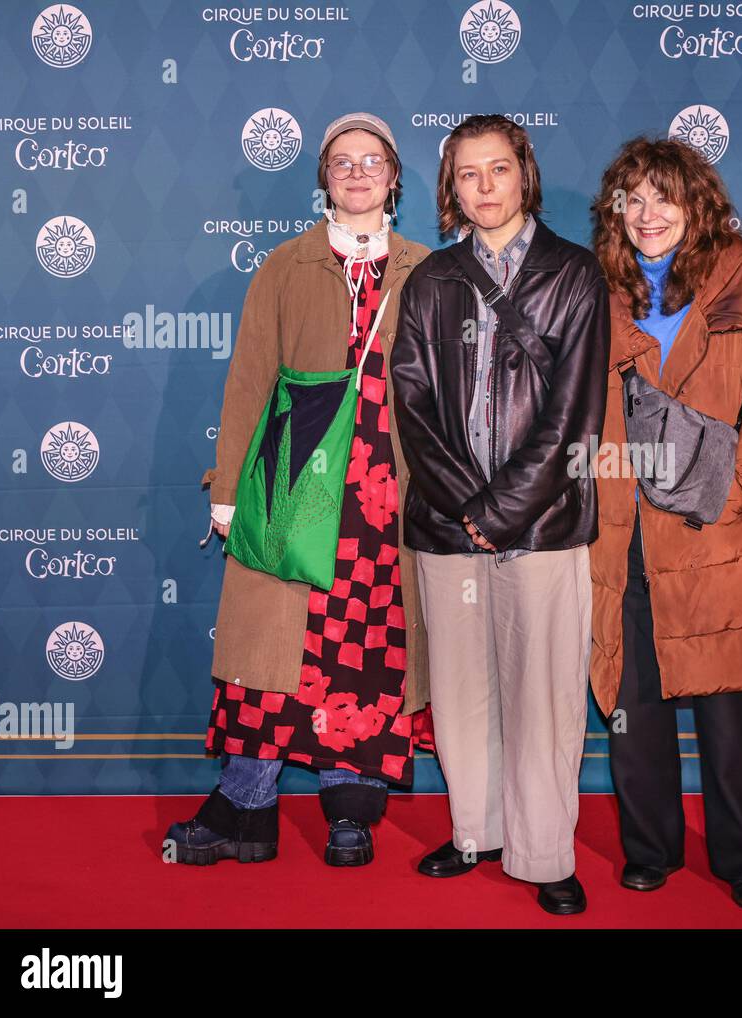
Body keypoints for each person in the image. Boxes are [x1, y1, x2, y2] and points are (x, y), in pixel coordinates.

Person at [166, 112, 434, 867]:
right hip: (291, 494)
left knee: (367, 651)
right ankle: (246, 809)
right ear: (323, 177)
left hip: (387, 500)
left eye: (370, 160)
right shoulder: (283, 267)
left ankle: (351, 813)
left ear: (394, 177)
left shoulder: (428, 271)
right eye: (341, 161)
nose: (356, 172)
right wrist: (226, 492)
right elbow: (250, 377)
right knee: (274, 656)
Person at [389, 114, 608, 915]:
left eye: (498, 170)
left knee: (545, 692)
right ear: (450, 188)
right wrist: (466, 509)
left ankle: (546, 850)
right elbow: (410, 404)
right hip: (448, 528)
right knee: (462, 686)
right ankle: (474, 829)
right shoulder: (432, 281)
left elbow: (575, 418)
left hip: (544, 526)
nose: (484, 188)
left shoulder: (574, 275)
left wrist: (504, 512)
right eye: (468, 174)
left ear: (526, 174)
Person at [587, 136, 742, 910]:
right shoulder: (600, 285)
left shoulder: (736, 269)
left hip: (719, 533)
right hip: (629, 532)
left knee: (725, 715)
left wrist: (740, 482)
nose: (648, 215)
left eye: (664, 198)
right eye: (633, 200)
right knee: (635, 708)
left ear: (695, 204)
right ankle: (649, 849)